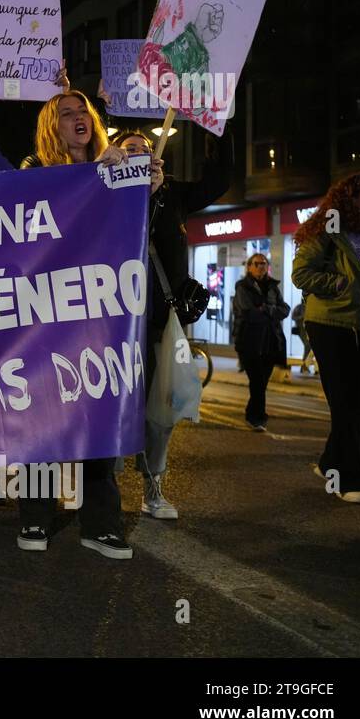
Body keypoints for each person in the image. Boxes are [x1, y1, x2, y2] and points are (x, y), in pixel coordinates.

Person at [0, 80, 141, 559]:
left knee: (97, 414)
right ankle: (35, 517)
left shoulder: (119, 169)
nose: (78, 118)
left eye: (83, 111)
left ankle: (100, 523)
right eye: (65, 113)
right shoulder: (35, 169)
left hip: (100, 315)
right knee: (42, 416)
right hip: (42, 315)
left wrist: (148, 186)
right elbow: (7, 192)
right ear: (50, 126)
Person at [113, 126, 229, 520]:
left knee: (161, 410)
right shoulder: (104, 194)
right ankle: (104, 491)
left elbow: (219, 181)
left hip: (161, 321)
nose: (139, 154)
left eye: (145, 149)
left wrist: (219, 124)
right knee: (115, 406)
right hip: (114, 325)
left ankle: (153, 485)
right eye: (128, 149)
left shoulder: (173, 195)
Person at [292, 171, 360, 504]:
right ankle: (350, 479)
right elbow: (301, 273)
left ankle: (330, 461)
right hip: (332, 324)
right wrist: (339, 285)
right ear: (353, 198)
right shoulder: (330, 231)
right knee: (347, 403)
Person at [233, 253, 289, 431]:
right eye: (257, 264)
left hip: (271, 341)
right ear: (249, 266)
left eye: (264, 264)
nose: (261, 267)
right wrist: (272, 312)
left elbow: (285, 309)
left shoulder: (273, 287)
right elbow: (249, 312)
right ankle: (257, 418)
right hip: (249, 341)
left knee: (262, 382)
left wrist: (265, 309)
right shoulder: (243, 286)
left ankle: (252, 412)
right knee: (257, 381)